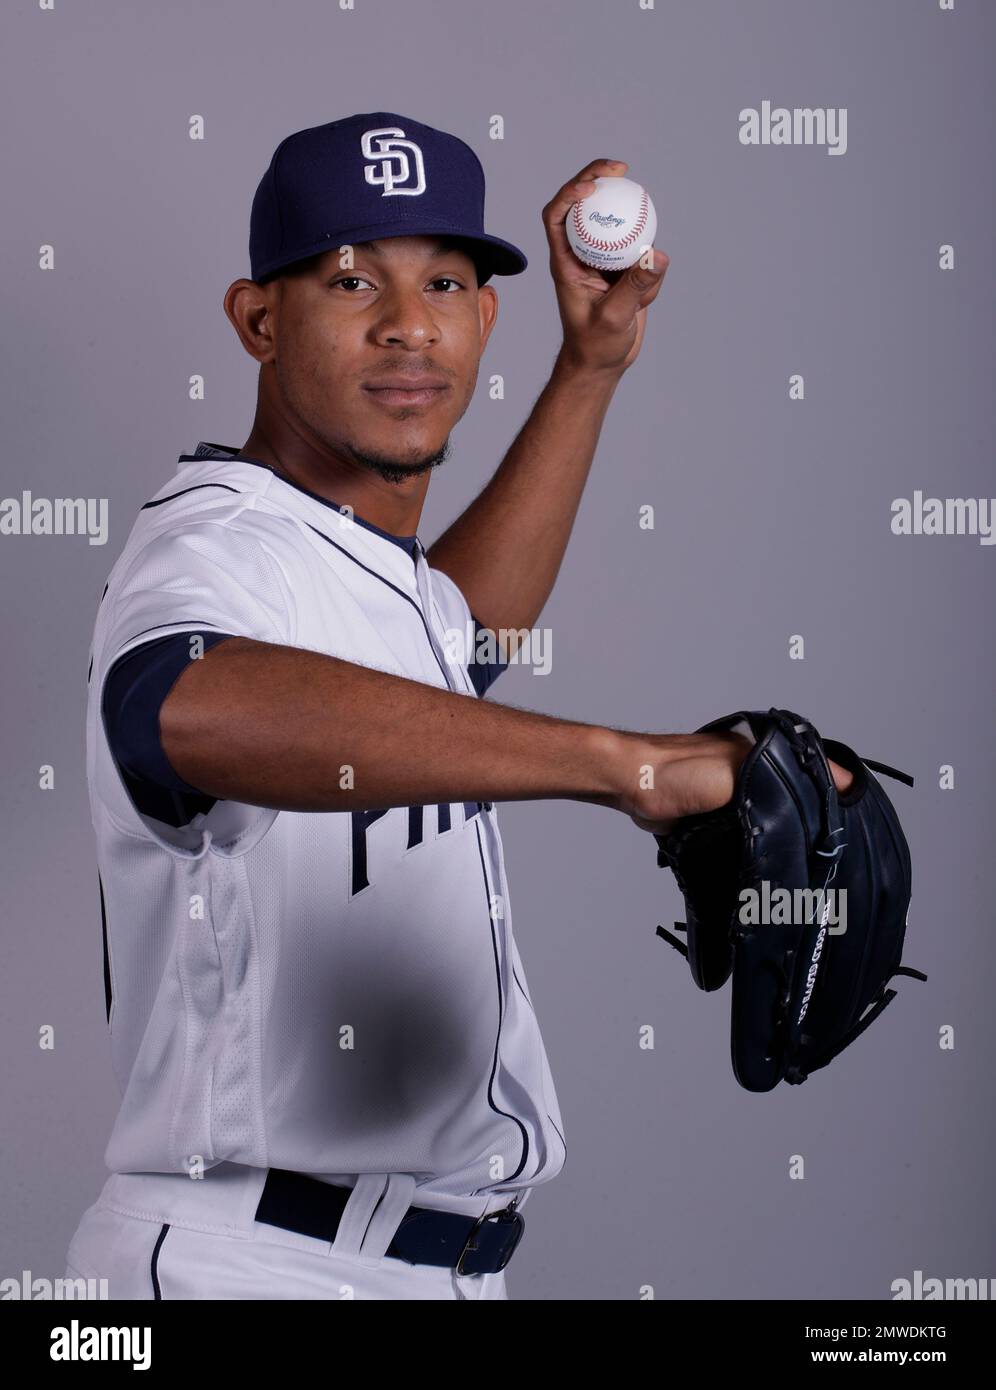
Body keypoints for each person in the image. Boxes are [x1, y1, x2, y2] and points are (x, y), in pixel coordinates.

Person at [65, 112, 852, 1301]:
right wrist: (628, 764)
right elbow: (181, 705)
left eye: (445, 278)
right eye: (348, 279)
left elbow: (455, 637)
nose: (408, 323)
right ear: (258, 321)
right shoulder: (216, 545)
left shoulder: (361, 576)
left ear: (487, 316)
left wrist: (589, 368)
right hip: (250, 1265)